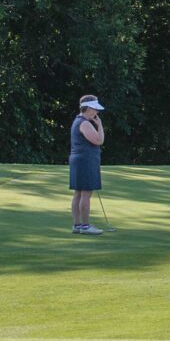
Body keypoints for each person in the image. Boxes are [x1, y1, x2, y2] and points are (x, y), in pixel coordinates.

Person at [70, 95, 107, 236]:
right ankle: (85, 226)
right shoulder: (84, 123)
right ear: (88, 108)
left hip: (80, 160)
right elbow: (99, 140)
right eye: (95, 109)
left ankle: (77, 225)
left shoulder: (78, 121)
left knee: (78, 193)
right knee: (85, 194)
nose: (97, 113)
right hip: (85, 161)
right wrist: (100, 125)